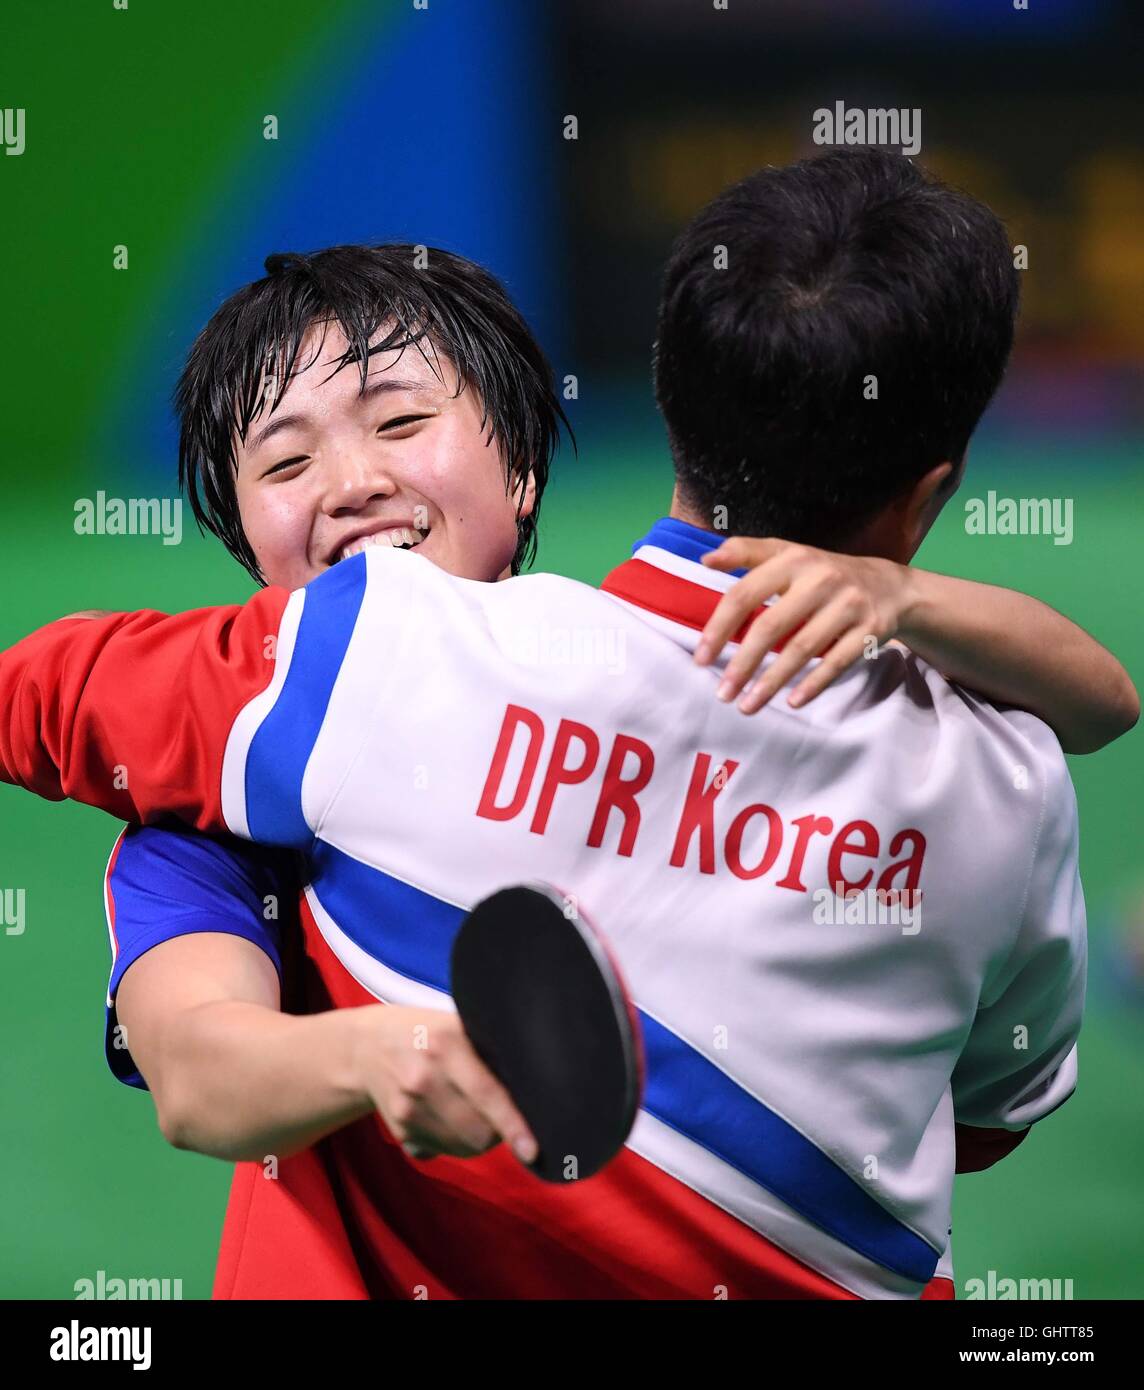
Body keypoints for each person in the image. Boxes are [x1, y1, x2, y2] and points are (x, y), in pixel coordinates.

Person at [1, 151, 1135, 1299]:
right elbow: (197, 1071)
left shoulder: (442, 662)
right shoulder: (232, 768)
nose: (347, 481)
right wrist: (379, 1051)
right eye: (285, 459)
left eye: (399, 418)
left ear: (525, 465)